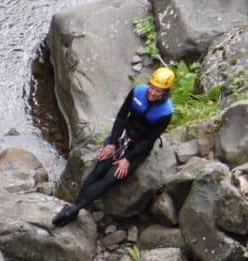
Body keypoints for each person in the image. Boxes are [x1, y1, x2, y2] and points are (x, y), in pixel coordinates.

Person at [51, 66, 178, 227]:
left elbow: (149, 140)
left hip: (138, 146)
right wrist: (112, 143)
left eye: (158, 91)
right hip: (123, 136)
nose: (153, 93)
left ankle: (75, 208)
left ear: (165, 93)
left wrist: (127, 159)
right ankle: (76, 207)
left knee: (112, 178)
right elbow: (121, 117)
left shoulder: (165, 112)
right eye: (152, 88)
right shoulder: (138, 92)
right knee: (99, 168)